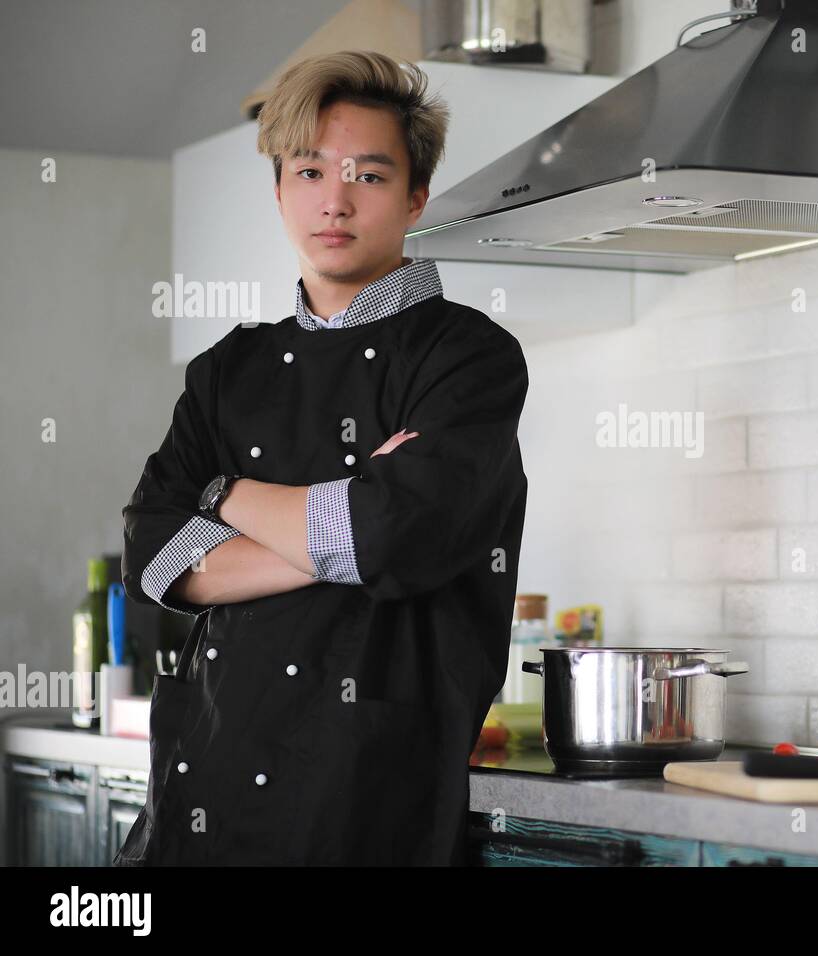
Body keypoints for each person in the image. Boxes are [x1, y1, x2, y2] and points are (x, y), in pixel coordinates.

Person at [114, 50, 529, 866]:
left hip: (366, 800)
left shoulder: (469, 358)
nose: (333, 200)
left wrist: (223, 494)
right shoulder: (227, 370)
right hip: (202, 791)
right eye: (308, 171)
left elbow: (392, 537)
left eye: (368, 176)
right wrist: (341, 525)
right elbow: (153, 555)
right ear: (278, 192)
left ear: (416, 196)